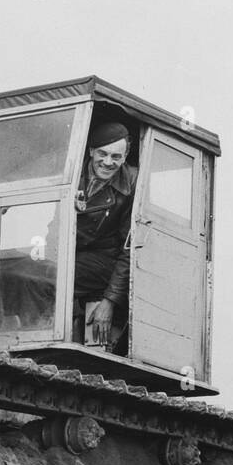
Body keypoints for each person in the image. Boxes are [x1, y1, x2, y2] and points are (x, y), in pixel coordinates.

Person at [74, 122, 137, 349]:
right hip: (67, 254)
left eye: (116, 156)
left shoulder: (131, 184)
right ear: (91, 150)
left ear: (126, 155)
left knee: (54, 278)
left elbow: (132, 248)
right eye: (102, 153)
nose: (108, 162)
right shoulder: (72, 173)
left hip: (106, 260)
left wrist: (110, 301)